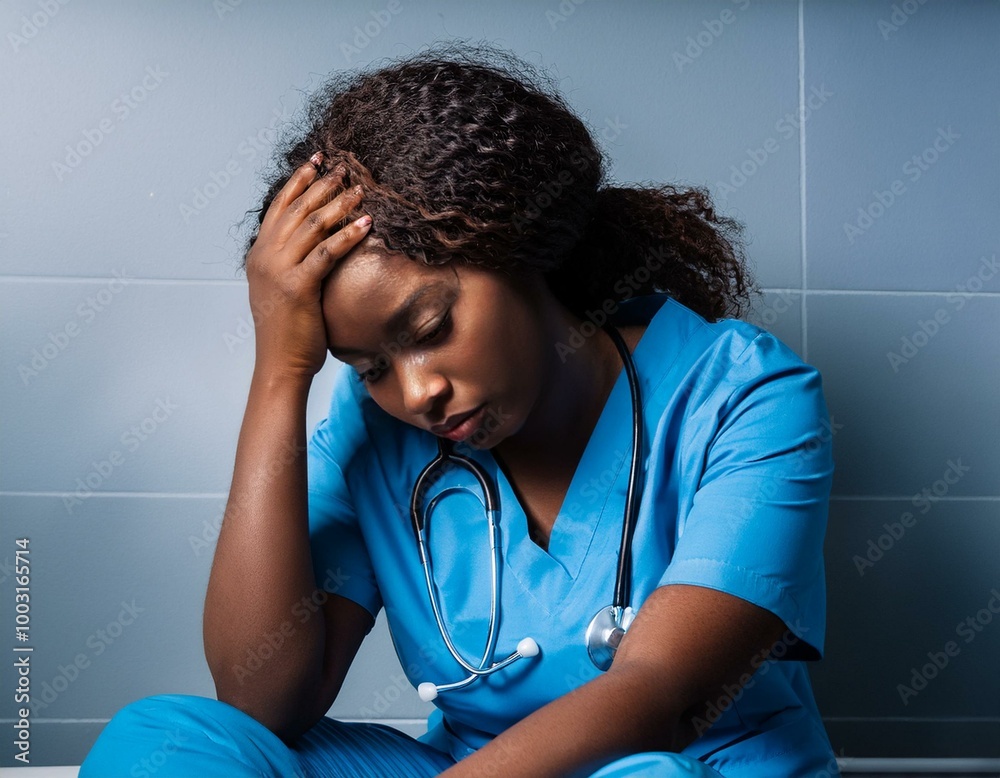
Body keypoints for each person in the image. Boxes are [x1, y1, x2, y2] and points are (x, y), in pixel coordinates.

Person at [80, 44, 840, 778]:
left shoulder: (748, 399)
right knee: (160, 744)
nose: (416, 395)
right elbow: (263, 697)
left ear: (518, 247)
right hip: (465, 767)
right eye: (371, 367)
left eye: (430, 331)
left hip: (686, 766)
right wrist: (282, 370)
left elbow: (658, 699)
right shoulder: (374, 432)